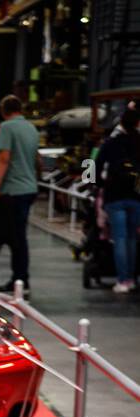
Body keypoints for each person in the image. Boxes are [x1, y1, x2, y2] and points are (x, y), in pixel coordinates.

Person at [0, 95, 41, 294]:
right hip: (29, 187)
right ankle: (20, 277)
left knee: (16, 237)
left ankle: (20, 279)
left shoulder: (7, 127)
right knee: (20, 235)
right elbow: (37, 159)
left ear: (4, 111)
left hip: (13, 189)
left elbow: (3, 157)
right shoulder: (31, 128)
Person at [97, 108, 140, 293]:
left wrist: (96, 184)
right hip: (137, 196)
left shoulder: (111, 142)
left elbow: (94, 165)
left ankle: (122, 281)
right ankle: (131, 278)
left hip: (114, 196)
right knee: (132, 238)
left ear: (120, 123)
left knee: (120, 238)